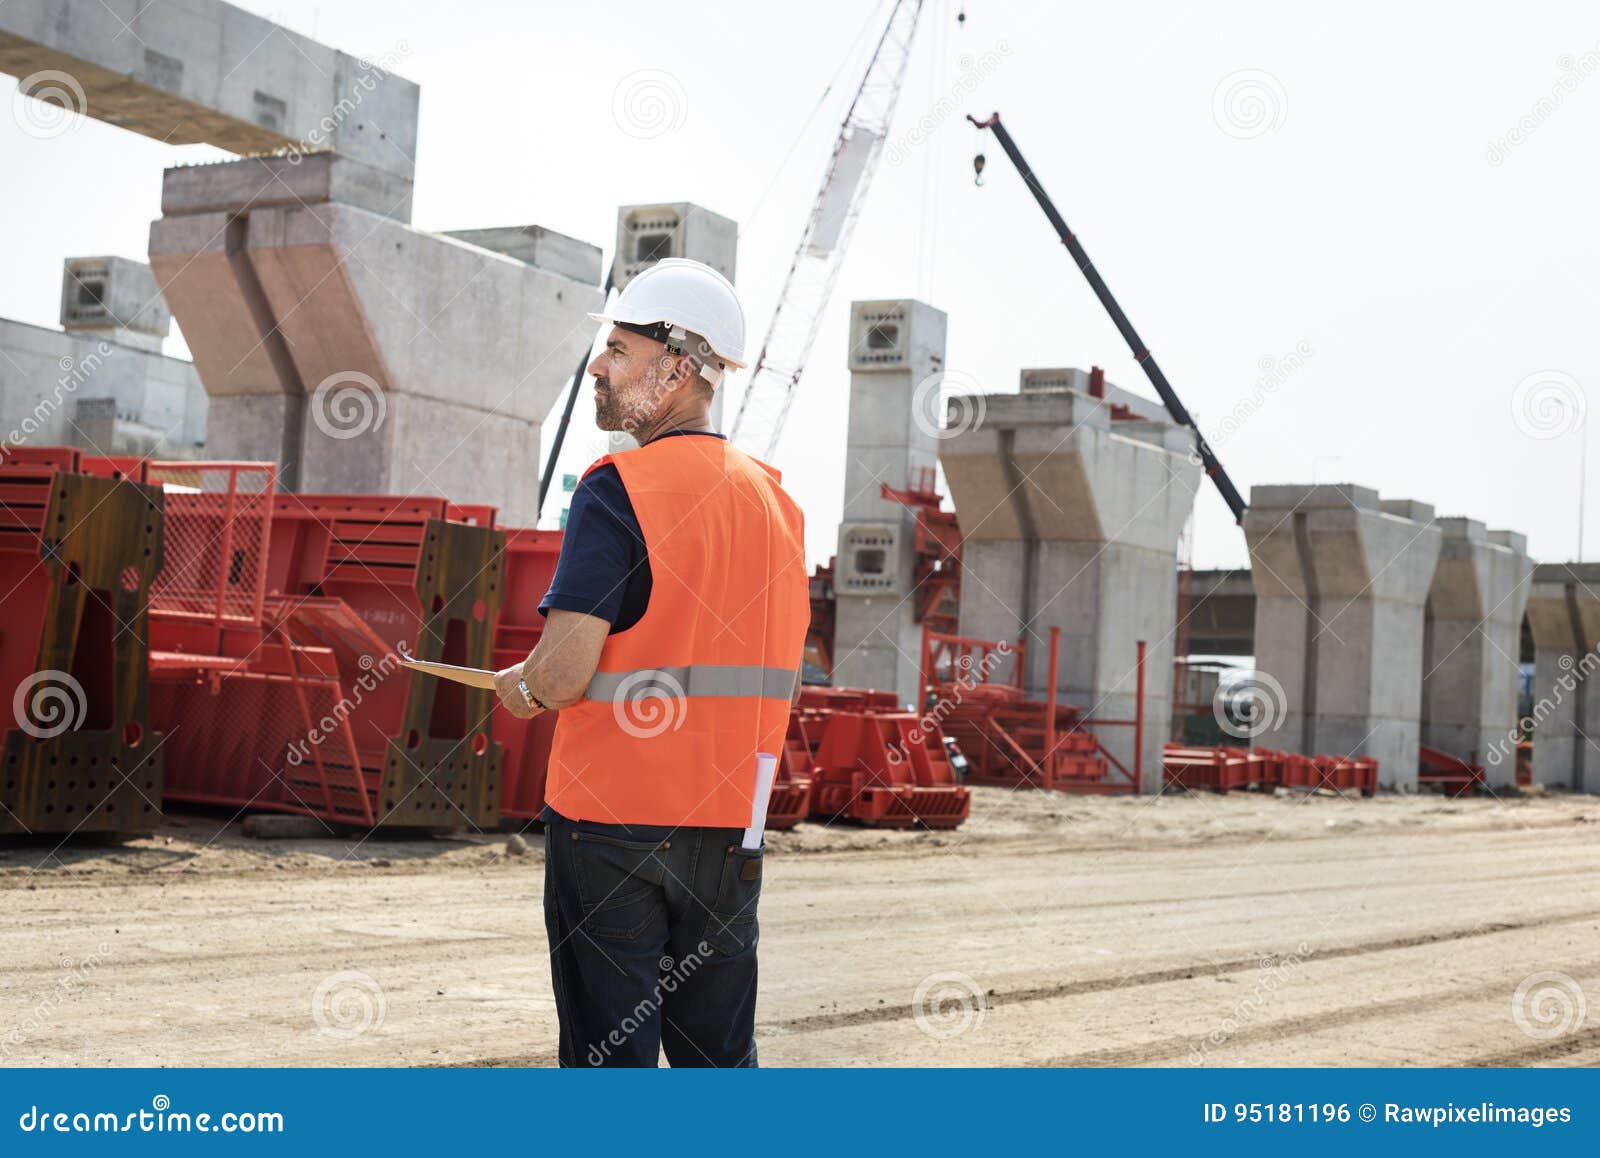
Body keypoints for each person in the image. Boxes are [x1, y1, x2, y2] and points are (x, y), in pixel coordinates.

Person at [493, 258, 809, 1067]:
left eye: (621, 351)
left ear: (678, 369)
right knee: (717, 1070)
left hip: (612, 827)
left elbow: (562, 674)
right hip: (732, 829)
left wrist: (521, 688)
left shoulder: (615, 488)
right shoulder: (779, 505)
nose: (598, 367)